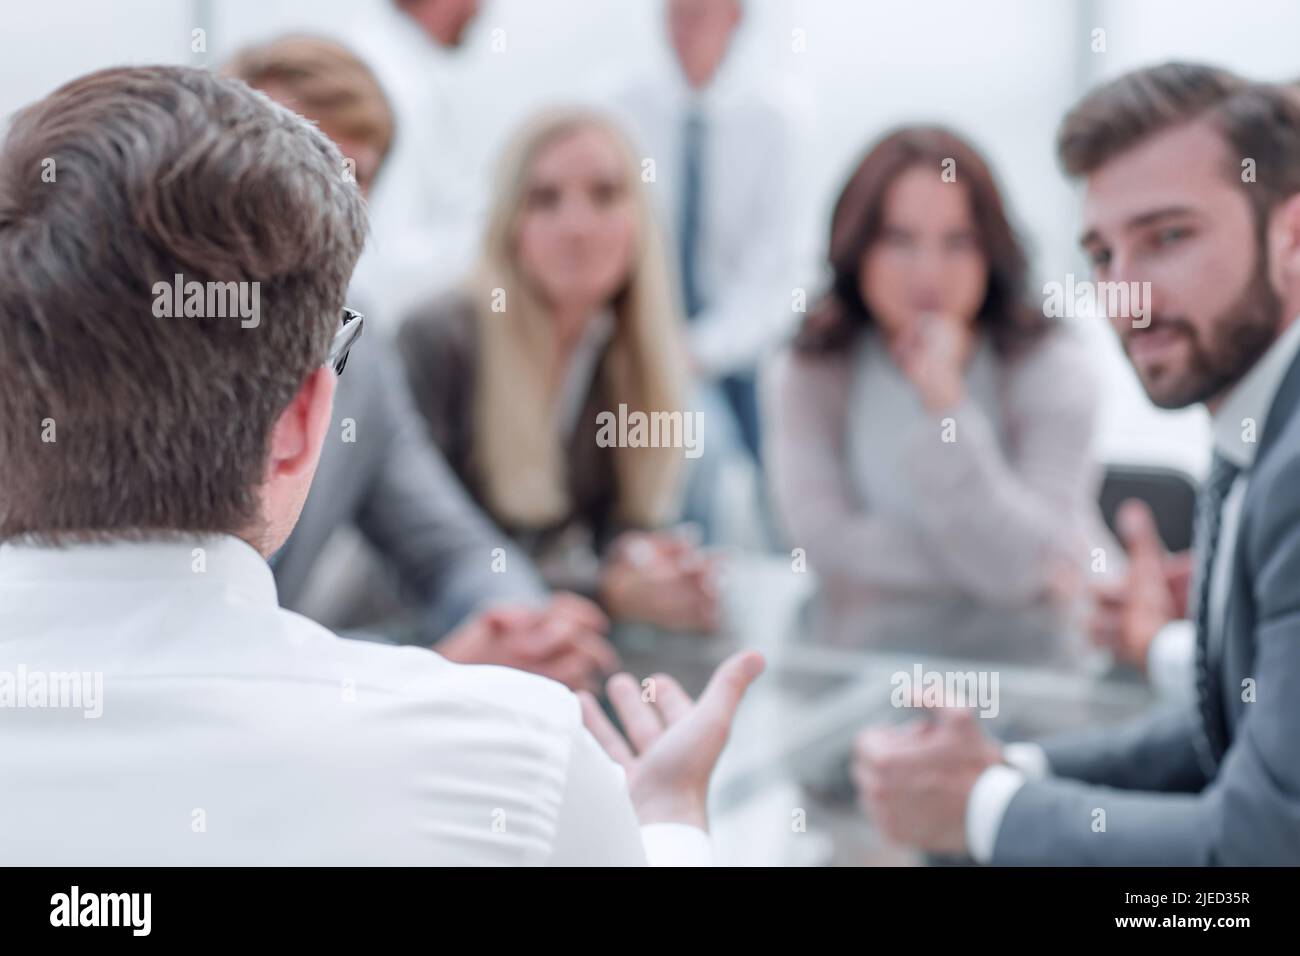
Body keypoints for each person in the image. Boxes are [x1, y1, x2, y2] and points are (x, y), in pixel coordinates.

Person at [0, 64, 762, 864]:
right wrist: (671, 819)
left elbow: (449, 543)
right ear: (301, 421)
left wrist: (523, 621)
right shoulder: (521, 764)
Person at [855, 64, 1300, 865]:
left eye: (1168, 237)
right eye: (1101, 253)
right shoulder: (1259, 424)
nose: (1123, 296)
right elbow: (1247, 743)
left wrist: (985, 810)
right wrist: (1009, 772)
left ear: (1292, 237)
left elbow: (1255, 858)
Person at [223, 35, 617, 692]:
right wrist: (426, 673)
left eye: (355, 175)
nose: (323, 201)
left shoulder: (358, 354)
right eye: (290, 161)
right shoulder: (145, 349)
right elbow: (179, 635)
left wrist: (525, 624)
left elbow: (453, 547)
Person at [767, 126, 1104, 637]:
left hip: (1049, 647)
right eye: (900, 240)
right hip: (875, 646)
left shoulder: (1052, 365)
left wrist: (944, 402)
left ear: (990, 252)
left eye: (957, 242)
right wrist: (1005, 566)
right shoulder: (813, 369)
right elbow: (823, 547)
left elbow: (1027, 565)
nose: (928, 272)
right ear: (858, 250)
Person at [398, 110, 722, 635]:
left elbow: (620, 527)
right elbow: (432, 558)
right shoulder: (439, 339)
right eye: (545, 200)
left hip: (551, 646)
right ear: (509, 225)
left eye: (605, 195)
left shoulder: (627, 351)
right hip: (426, 645)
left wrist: (650, 565)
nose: (577, 226)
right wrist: (607, 591)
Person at [614, 0, 797, 467]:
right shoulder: (621, 106)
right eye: (674, 14)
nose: (683, 30)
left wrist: (701, 350)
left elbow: (773, 267)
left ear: (735, 17)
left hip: (741, 344)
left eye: (698, 14)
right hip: (642, 331)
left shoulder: (775, 119)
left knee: (769, 471)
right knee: (683, 454)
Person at [347, 0, 486, 321]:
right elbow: (382, 263)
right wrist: (498, 242)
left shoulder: (395, 67)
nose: (481, 8)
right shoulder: (395, 85)